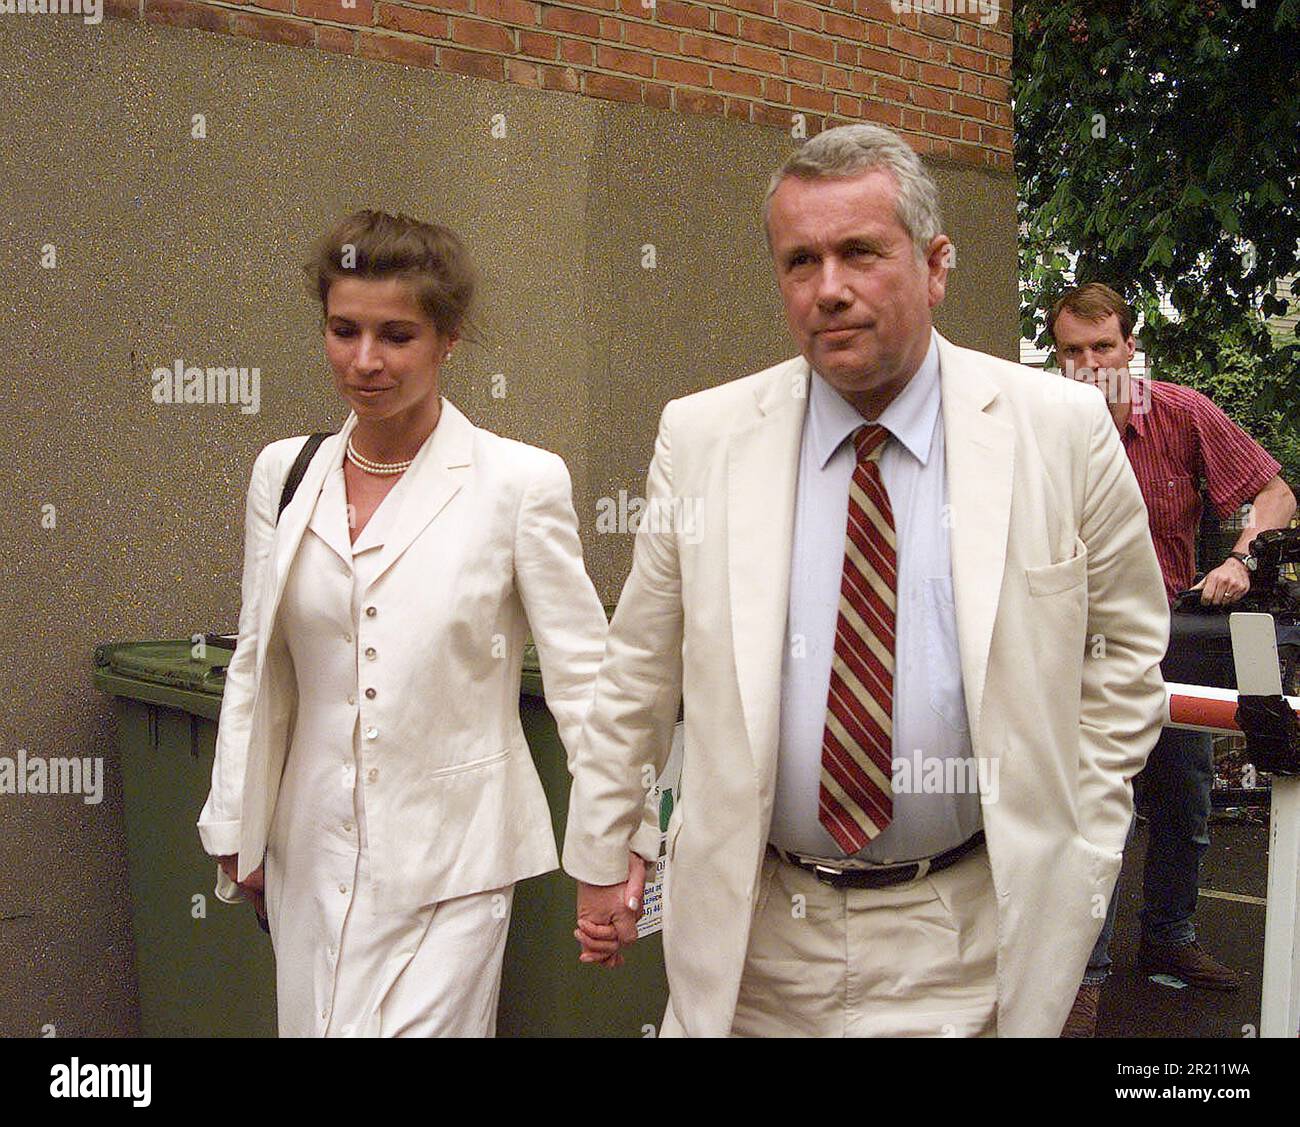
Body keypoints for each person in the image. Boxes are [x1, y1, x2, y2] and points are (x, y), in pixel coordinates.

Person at [561, 124, 1171, 1037]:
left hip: (969, 940)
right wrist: (607, 844)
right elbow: (640, 665)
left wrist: (1082, 837)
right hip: (757, 940)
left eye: (859, 252)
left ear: (935, 265)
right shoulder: (703, 438)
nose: (829, 288)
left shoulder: (1060, 432)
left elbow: (1124, 656)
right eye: (800, 260)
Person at [196, 209, 608, 1037]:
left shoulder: (518, 482)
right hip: (308, 846)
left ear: (448, 338)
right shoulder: (286, 472)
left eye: (396, 334)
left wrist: (614, 845)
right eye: (343, 330)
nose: (365, 360)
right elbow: (256, 659)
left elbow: (586, 680)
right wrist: (233, 819)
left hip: (454, 860)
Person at [1049, 282, 1297, 1036]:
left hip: (1171, 642)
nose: (1090, 365)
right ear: (1059, 360)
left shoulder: (1183, 414)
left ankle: (1171, 937)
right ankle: (1081, 979)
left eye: (1103, 347)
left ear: (1130, 347)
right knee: (1101, 818)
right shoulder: (1044, 429)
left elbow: (1276, 493)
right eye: (1072, 352)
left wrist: (1244, 558)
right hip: (1080, 651)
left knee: (1185, 802)